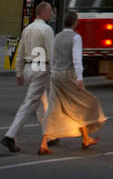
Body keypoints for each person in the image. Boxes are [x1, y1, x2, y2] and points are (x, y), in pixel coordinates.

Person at [40, 10, 106, 154]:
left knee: (54, 107)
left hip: (55, 74)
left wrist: (52, 71)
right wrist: (80, 78)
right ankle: (86, 137)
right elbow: (76, 59)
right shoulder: (76, 37)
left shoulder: (56, 37)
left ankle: (45, 142)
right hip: (68, 74)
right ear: (76, 23)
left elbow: (52, 57)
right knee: (87, 103)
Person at [0, 2, 54, 153]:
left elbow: (20, 52)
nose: (51, 14)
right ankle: (10, 135)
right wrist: (55, 70)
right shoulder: (47, 30)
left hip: (28, 68)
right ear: (43, 12)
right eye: (50, 11)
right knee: (31, 103)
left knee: (39, 102)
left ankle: (48, 134)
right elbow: (51, 53)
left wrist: (19, 72)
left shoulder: (27, 29)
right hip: (41, 67)